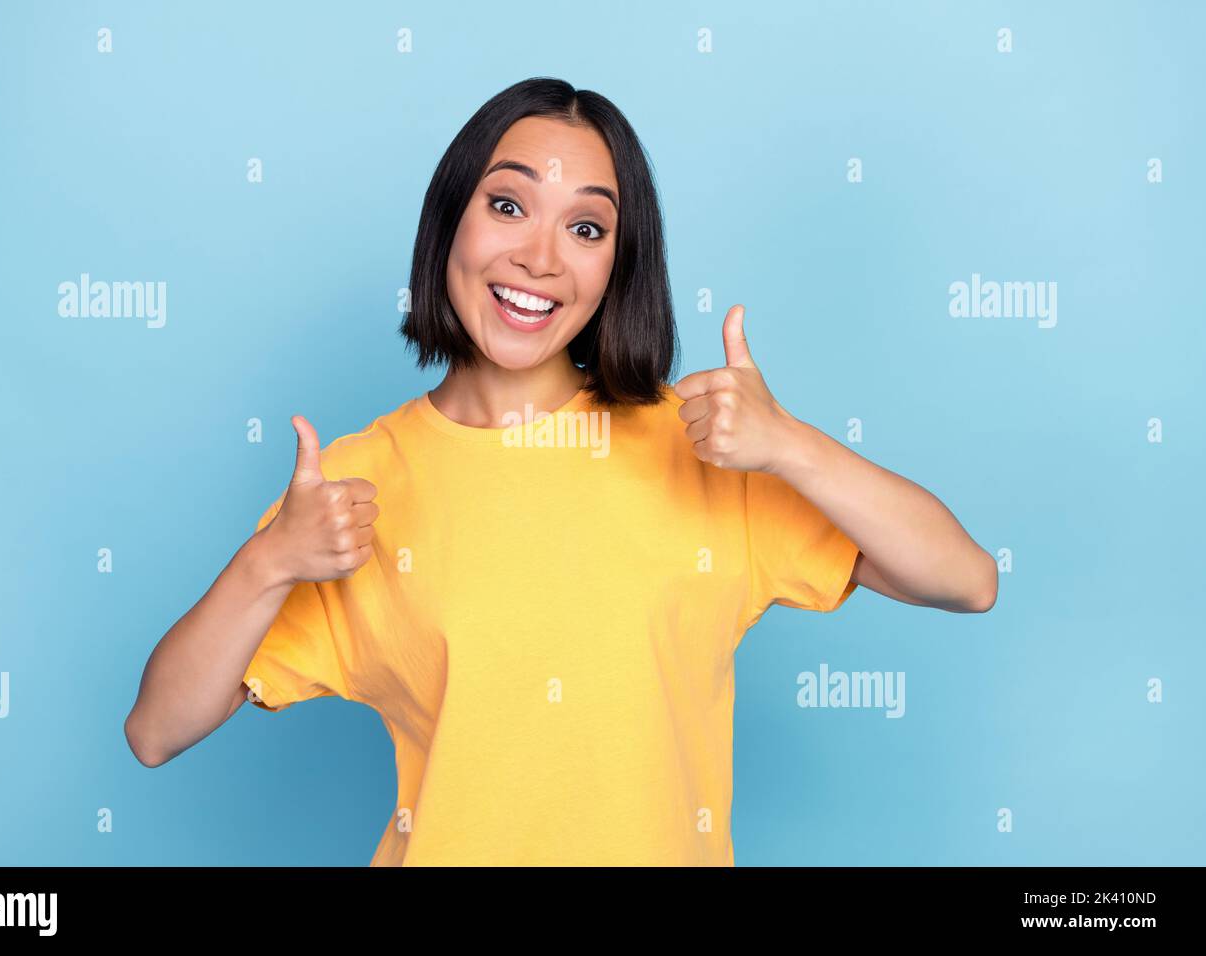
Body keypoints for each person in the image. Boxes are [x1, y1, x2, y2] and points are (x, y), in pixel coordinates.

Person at [124, 76, 997, 866]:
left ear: (618, 265)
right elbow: (157, 730)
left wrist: (792, 446)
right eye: (508, 206)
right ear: (449, 222)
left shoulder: (698, 446)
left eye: (585, 227)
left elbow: (966, 580)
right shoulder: (355, 487)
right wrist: (271, 559)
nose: (540, 258)